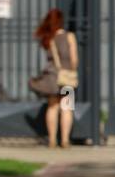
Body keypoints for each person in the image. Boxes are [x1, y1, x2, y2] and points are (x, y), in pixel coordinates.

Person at [31, 9, 79, 149]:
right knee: (67, 108)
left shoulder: (49, 38)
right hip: (67, 77)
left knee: (52, 107)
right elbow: (74, 59)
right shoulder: (69, 36)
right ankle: (64, 140)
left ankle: (52, 140)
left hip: (52, 76)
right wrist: (72, 71)